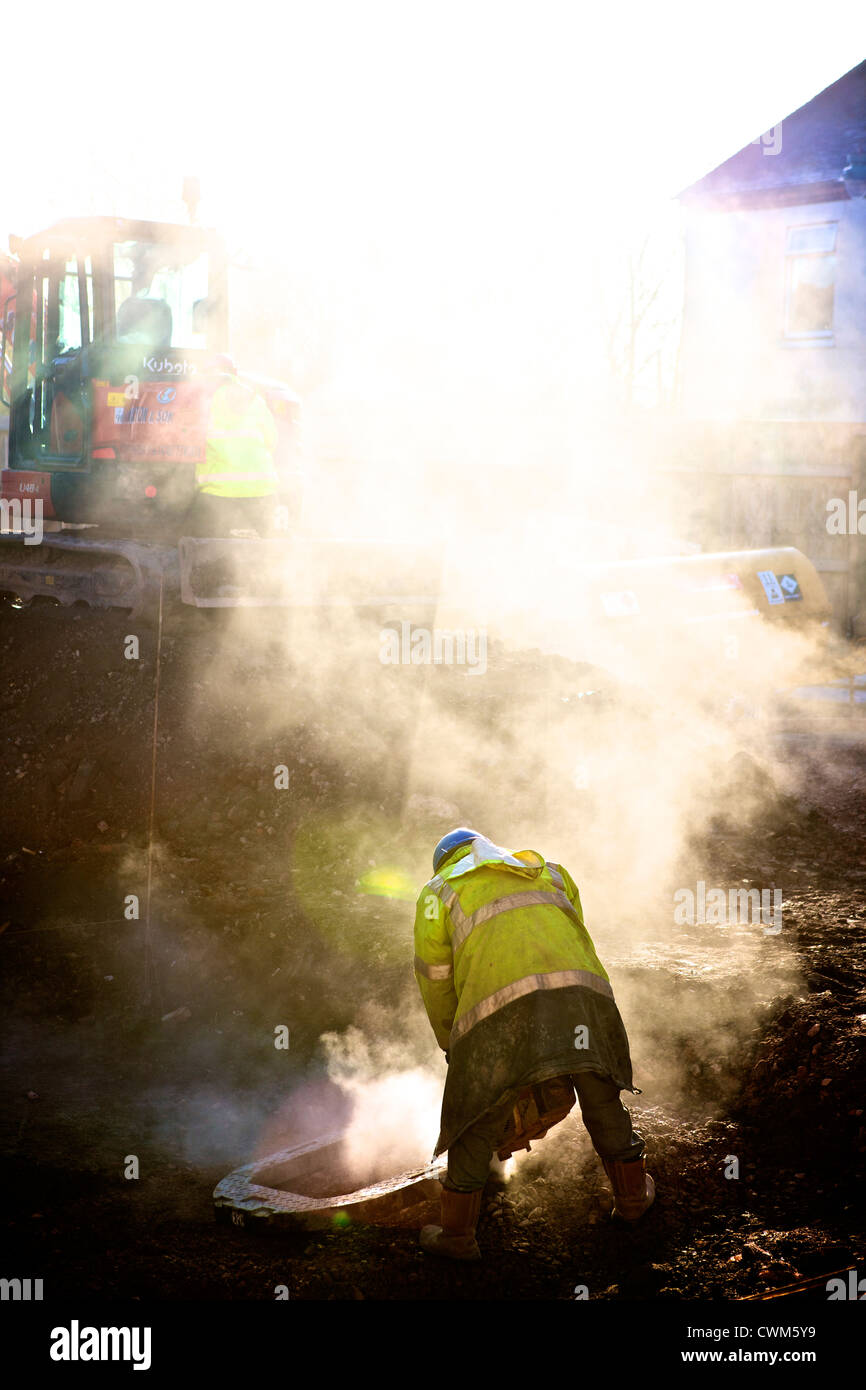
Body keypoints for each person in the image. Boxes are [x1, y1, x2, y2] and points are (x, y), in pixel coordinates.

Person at [414, 827, 654, 1261]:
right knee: (600, 1097)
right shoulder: (551, 872)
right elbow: (571, 935)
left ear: (445, 862)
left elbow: (435, 978)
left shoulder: (439, 891)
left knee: (477, 1114)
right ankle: (633, 1200)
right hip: (584, 998)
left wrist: (454, 1042)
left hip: (498, 1013)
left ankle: (458, 1238)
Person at [186, 355, 279, 538]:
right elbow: (272, 441)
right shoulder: (255, 399)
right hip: (262, 489)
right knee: (270, 549)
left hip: (217, 492)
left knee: (208, 549)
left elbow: (187, 443)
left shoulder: (201, 404)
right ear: (235, 374)